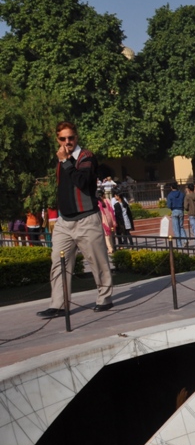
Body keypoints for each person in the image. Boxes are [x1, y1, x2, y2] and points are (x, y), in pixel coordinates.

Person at [37, 121, 113, 318]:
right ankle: (59, 305)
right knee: (58, 262)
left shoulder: (85, 156)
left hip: (87, 219)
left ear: (76, 138)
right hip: (65, 222)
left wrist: (66, 161)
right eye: (63, 138)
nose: (67, 142)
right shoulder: (61, 161)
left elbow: (82, 181)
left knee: (97, 261)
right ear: (58, 139)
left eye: (71, 138)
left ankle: (104, 298)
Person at [166, 182, 185, 248]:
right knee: (181, 226)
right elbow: (184, 202)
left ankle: (179, 244)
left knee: (176, 228)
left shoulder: (170, 195)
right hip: (181, 210)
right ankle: (185, 240)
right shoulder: (182, 194)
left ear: (171, 187)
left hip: (174, 211)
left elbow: (169, 205)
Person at [97, 190, 116, 255]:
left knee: (106, 236)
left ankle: (110, 249)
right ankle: (112, 247)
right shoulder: (107, 200)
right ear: (103, 195)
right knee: (110, 234)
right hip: (110, 219)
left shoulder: (98, 203)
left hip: (104, 220)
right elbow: (111, 209)